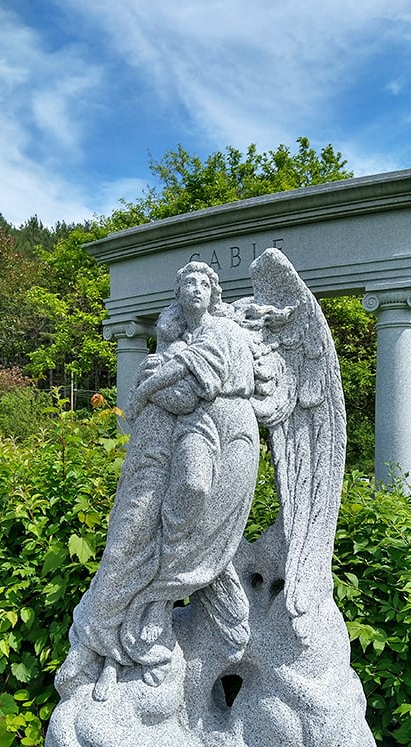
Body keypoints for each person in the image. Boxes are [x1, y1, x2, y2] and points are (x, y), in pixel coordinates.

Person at [57, 262, 260, 698]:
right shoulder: (174, 341)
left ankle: (159, 607)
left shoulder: (222, 333)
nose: (193, 290)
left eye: (202, 283)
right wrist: (162, 376)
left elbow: (197, 386)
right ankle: (146, 617)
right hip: (188, 432)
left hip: (232, 430)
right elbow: (168, 399)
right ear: (177, 291)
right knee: (159, 515)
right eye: (185, 282)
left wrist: (159, 376)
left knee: (202, 506)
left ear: (213, 292)